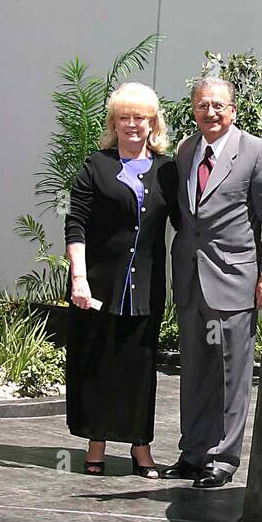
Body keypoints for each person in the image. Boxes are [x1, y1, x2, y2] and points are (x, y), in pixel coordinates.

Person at [160, 76, 262, 488]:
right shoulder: (184, 151)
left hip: (235, 279)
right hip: (190, 278)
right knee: (194, 369)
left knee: (233, 373)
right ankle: (193, 451)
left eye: (218, 105)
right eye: (202, 105)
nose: (210, 113)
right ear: (193, 110)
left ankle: (223, 459)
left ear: (232, 110)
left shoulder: (255, 151)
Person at [64, 82, 179, 477]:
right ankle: (96, 442)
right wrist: (78, 278)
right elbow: (75, 223)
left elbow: (187, 225)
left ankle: (140, 449)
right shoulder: (96, 165)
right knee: (99, 366)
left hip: (146, 288)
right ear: (114, 123)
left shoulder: (168, 171)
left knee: (140, 370)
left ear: (153, 123)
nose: (132, 125)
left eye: (140, 118)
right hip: (97, 286)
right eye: (124, 118)